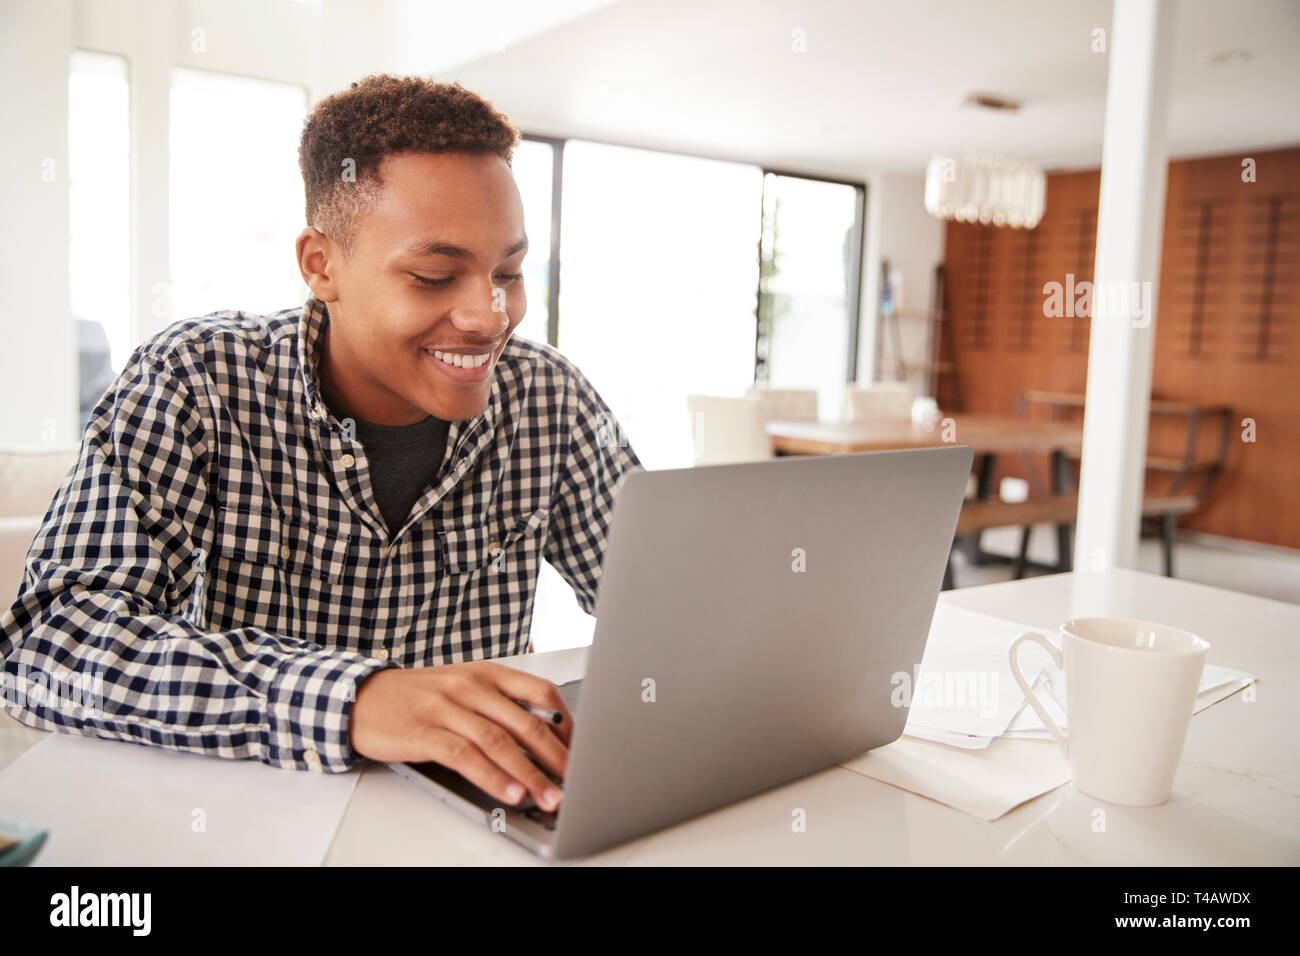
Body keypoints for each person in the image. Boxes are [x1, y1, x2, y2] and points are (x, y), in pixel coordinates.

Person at [0, 74, 642, 815]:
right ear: (320, 265)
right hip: (248, 821)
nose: (488, 315)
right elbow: (49, 646)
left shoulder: (547, 399)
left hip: (474, 819)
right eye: (435, 276)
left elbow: (668, 603)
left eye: (509, 272)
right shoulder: (197, 381)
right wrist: (357, 699)